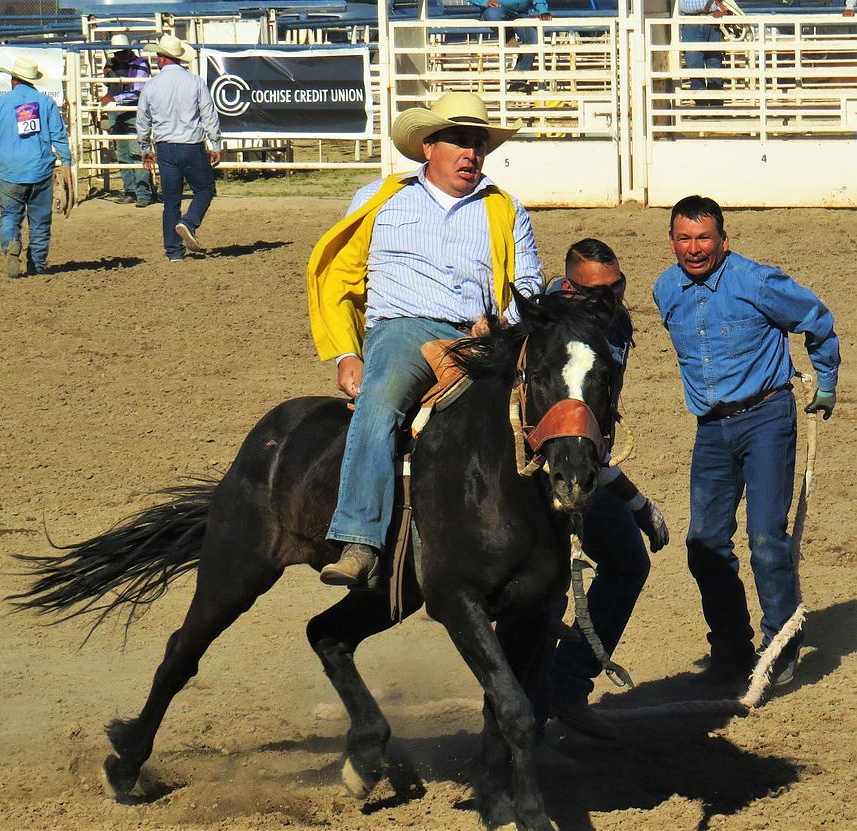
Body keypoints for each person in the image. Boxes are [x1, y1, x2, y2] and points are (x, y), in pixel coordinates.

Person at [306, 90, 543, 586]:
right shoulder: (380, 199)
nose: (471, 154)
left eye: (477, 144)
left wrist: (501, 319)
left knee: (548, 405)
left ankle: (559, 526)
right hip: (404, 330)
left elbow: (528, 284)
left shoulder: (505, 208)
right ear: (428, 147)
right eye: (459, 141)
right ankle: (359, 537)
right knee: (382, 401)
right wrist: (347, 353)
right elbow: (340, 279)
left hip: (482, 338)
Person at [652, 195, 840, 689]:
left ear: (724, 240)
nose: (695, 249)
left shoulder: (756, 281)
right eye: (685, 239)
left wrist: (825, 381)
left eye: (704, 238)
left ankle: (781, 641)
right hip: (711, 427)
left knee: (764, 537)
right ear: (672, 242)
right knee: (704, 543)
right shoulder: (664, 288)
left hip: (766, 417)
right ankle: (732, 648)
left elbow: (816, 318)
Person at [537, 239, 669, 742]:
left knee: (628, 562)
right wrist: (636, 502)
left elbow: (598, 430)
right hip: (536, 475)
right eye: (598, 291)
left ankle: (567, 686)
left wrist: (633, 500)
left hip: (585, 468)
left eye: (618, 287)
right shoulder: (546, 327)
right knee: (543, 593)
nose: (612, 299)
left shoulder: (615, 324)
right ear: (568, 289)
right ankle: (525, 728)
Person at [0, 55, 72, 278]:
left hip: (11, 171)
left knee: (10, 215)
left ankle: (11, 243)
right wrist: (66, 162)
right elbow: (58, 135)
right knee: (40, 219)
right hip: (40, 170)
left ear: (13, 79)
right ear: (31, 80)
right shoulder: (45, 102)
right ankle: (38, 264)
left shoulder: (0, 103)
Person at [136, 34, 222, 262]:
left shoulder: (151, 86)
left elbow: (143, 120)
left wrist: (145, 148)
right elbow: (208, 114)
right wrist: (216, 143)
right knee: (205, 189)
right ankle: (189, 222)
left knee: (171, 200)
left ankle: (174, 252)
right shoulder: (194, 82)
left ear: (163, 59)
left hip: (165, 147)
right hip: (192, 145)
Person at [101, 34, 153, 208]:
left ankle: (143, 193)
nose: (116, 57)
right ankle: (131, 191)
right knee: (123, 153)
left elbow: (140, 91)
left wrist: (115, 99)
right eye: (115, 54)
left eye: (119, 53)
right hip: (119, 112)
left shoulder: (140, 65)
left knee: (136, 152)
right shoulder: (115, 66)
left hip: (133, 112)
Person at [468, 0, 552, 93]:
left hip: (522, 14)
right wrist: (485, 2)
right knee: (492, 15)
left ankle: (518, 81)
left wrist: (543, 10)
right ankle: (507, 35)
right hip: (497, 10)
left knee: (533, 39)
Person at [679, 0, 728, 102]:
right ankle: (701, 103)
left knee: (714, 62)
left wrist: (723, 9)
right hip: (693, 20)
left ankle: (715, 103)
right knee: (694, 63)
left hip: (712, 20)